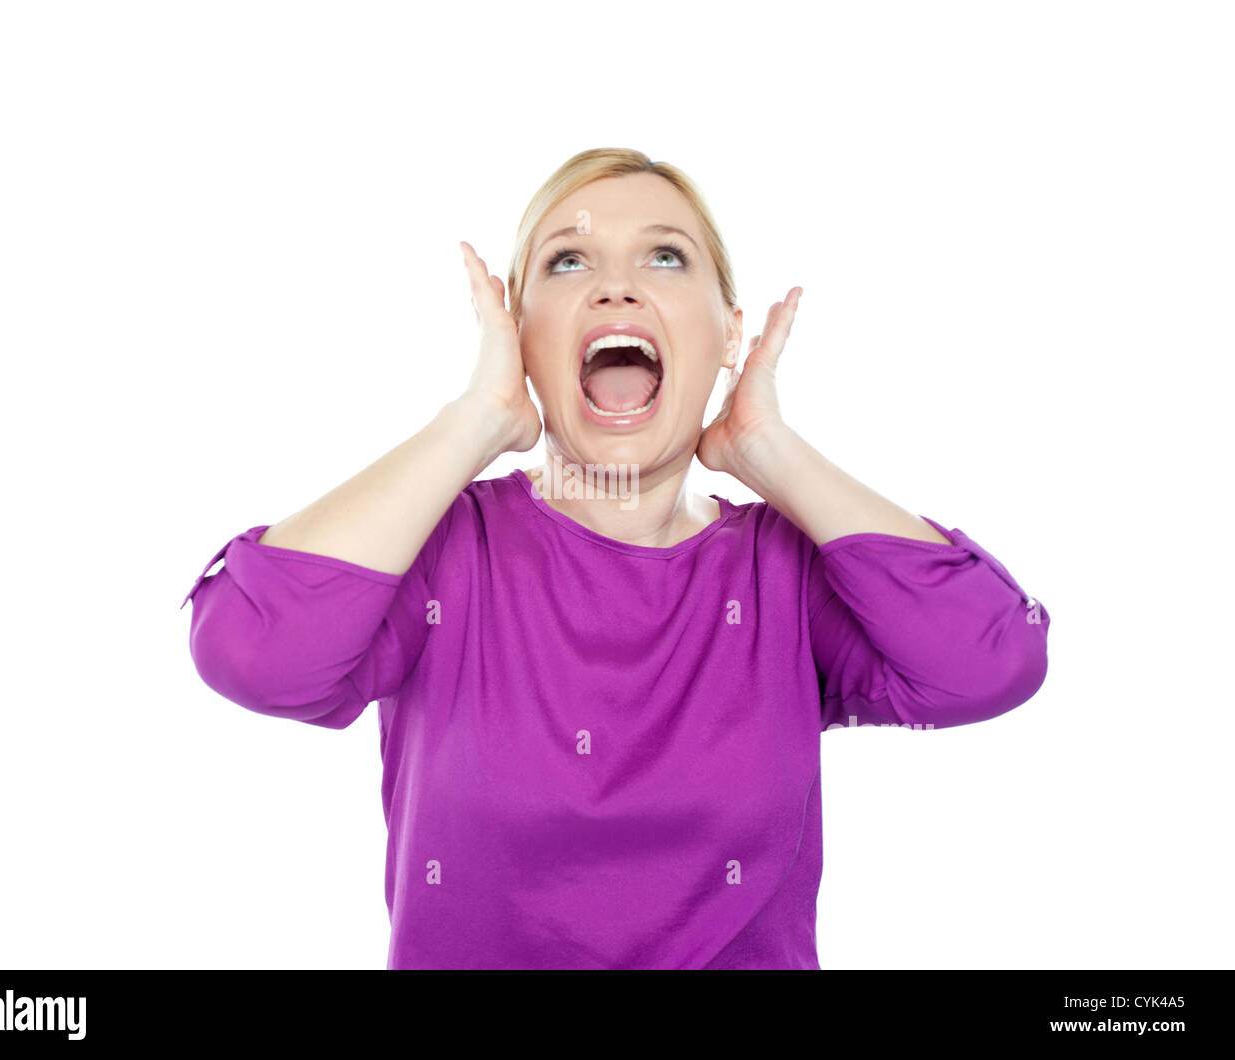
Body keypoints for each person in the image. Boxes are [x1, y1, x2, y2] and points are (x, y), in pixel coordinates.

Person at [181, 147, 1051, 969]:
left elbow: (990, 660)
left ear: (727, 332)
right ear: (521, 337)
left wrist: (767, 448)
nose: (617, 289)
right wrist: (475, 420)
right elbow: (254, 651)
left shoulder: (781, 574)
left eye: (665, 258)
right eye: (568, 263)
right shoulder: (445, 553)